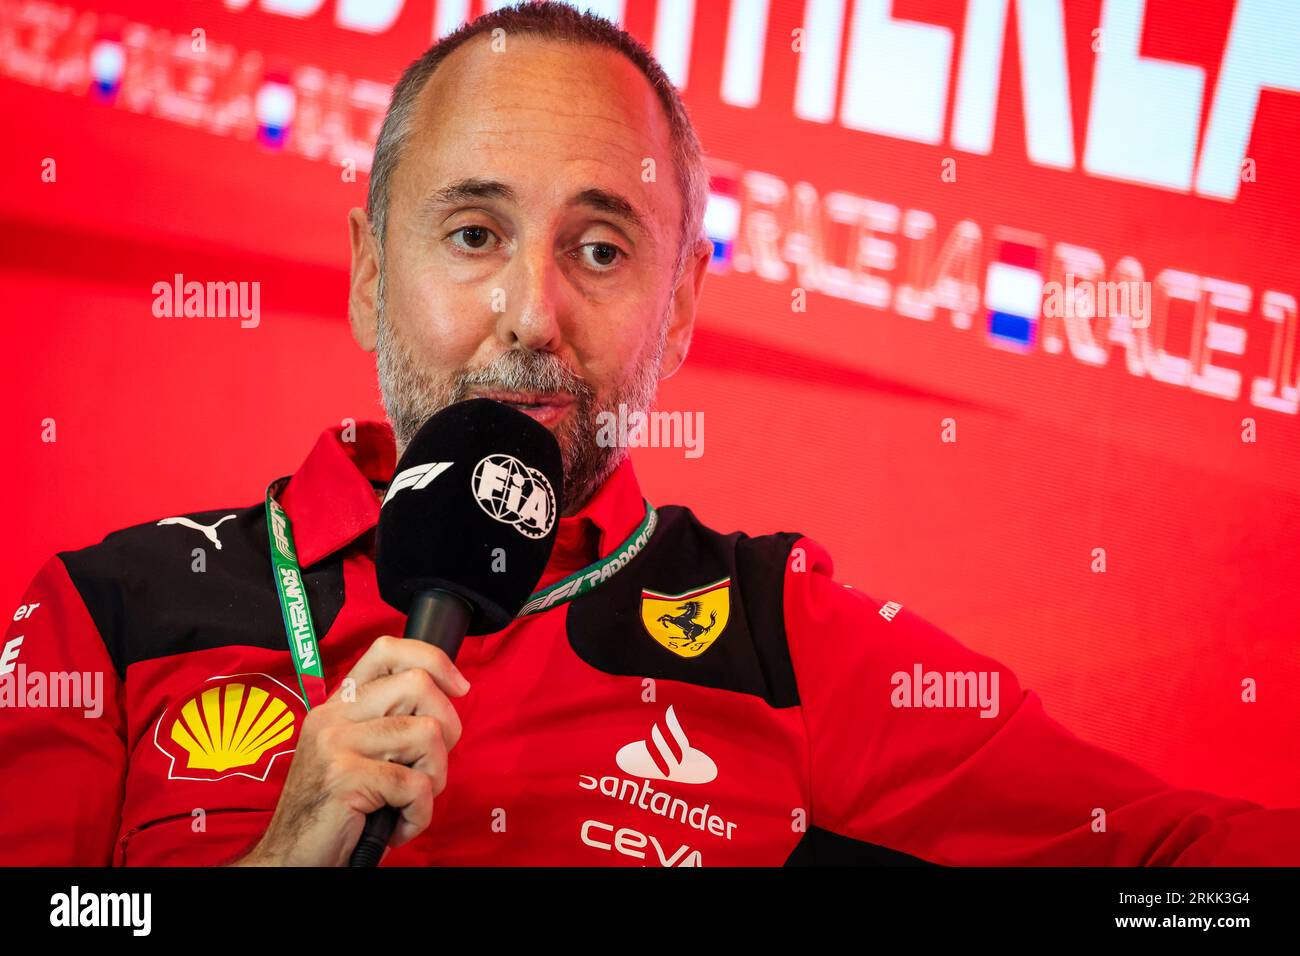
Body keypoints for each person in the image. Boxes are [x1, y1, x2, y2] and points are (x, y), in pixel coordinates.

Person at [1, 1, 1295, 867]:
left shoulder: (780, 634)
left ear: (678, 313)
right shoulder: (106, 617)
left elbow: (1177, 858)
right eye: (473, 234)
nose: (532, 314)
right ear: (363, 271)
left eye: (601, 248)